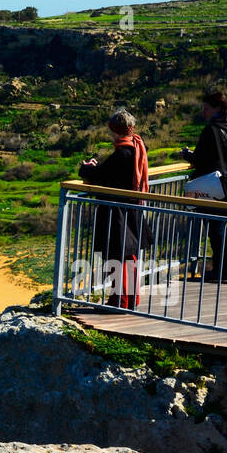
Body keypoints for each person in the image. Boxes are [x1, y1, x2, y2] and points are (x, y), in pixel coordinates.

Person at [78, 108, 150, 309]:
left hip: (117, 213)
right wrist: (98, 167)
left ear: (114, 130)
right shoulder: (138, 146)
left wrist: (87, 167)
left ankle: (118, 300)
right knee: (130, 256)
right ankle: (130, 299)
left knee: (117, 256)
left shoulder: (122, 153)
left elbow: (101, 176)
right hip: (132, 208)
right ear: (131, 128)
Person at [178, 90, 227, 282]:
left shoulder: (212, 130)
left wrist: (187, 155)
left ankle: (222, 271)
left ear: (217, 108)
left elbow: (201, 159)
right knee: (221, 227)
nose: (204, 112)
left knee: (216, 230)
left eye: (207, 108)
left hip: (215, 184)